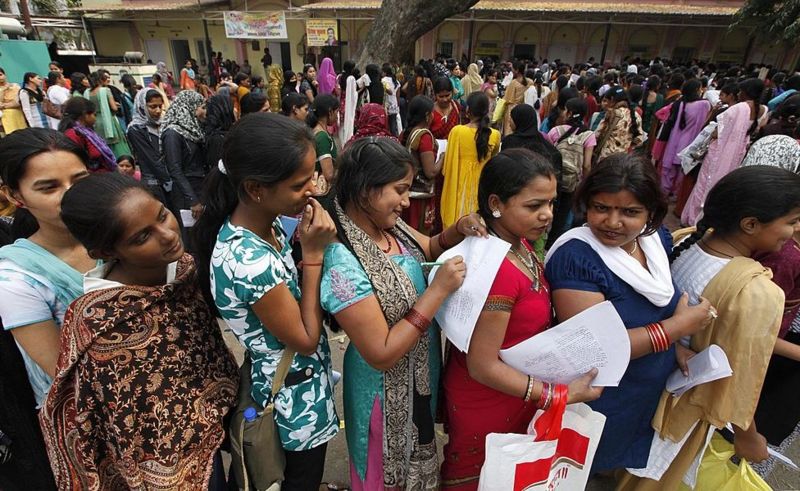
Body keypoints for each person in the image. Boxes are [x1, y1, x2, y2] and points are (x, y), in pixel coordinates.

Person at [40, 173, 238, 490]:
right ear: (105, 251)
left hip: (224, 413)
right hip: (167, 462)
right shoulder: (101, 321)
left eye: (162, 215)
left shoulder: (183, 268)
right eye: (141, 237)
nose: (168, 234)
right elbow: (124, 421)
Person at [618, 165, 800, 489]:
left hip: (645, 391)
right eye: (790, 221)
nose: (793, 231)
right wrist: (748, 435)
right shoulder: (756, 290)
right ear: (750, 224)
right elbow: (740, 375)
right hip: (682, 413)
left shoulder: (687, 240)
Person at [320, 137, 482, 489]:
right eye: (400, 190)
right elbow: (380, 352)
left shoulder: (389, 228)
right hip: (380, 389)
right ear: (365, 190)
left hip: (419, 377)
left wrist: (459, 228)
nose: (407, 201)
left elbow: (428, 247)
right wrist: (437, 291)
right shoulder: (341, 262)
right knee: (384, 474)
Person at [441, 149, 604, 490]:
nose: (547, 215)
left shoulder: (518, 245)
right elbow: (482, 366)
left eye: (551, 204)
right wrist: (554, 395)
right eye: (534, 206)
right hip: (487, 396)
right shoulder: (497, 267)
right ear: (496, 203)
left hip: (516, 388)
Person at [193, 113, 339, 490]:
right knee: (299, 480)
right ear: (256, 188)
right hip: (292, 399)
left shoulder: (263, 222)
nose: (312, 189)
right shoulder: (249, 262)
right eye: (299, 184)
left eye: (312, 176)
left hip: (294, 382)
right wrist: (313, 255)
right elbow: (305, 340)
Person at [545, 154, 713, 473]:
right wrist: (677, 329)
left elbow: (650, 309)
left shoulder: (654, 241)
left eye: (629, 212)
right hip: (600, 401)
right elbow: (597, 347)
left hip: (642, 394)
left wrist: (675, 346)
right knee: (579, 470)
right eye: (601, 208)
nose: (612, 222)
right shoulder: (577, 258)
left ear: (651, 213)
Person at [0, 128, 95, 409]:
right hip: (89, 416)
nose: (70, 195)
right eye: (49, 187)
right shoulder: (17, 278)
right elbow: (64, 373)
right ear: (14, 195)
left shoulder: (120, 235)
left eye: (79, 180)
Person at [682, 78, 767, 225]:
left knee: (705, 184)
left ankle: (694, 218)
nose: (738, 93)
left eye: (741, 91)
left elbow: (718, 132)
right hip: (737, 153)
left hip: (720, 152)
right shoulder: (762, 109)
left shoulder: (739, 108)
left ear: (746, 92)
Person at [440, 91, 501, 228]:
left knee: (458, 228)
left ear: (468, 110)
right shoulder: (495, 135)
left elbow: (447, 167)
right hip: (483, 189)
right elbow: (493, 160)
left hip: (460, 188)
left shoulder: (457, 131)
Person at [159, 90, 206, 225]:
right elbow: (175, 169)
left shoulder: (192, 130)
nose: (203, 111)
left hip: (198, 187)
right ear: (188, 107)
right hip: (187, 193)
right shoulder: (172, 133)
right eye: (201, 107)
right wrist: (192, 199)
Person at [660, 79, 711, 197]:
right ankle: (676, 195)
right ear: (697, 90)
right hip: (690, 142)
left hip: (674, 142)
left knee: (669, 171)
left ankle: (664, 192)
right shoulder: (703, 105)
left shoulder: (679, 103)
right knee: (683, 173)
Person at [400, 95, 440, 232]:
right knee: (420, 232)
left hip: (409, 192)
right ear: (428, 115)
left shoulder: (408, 132)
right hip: (421, 195)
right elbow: (431, 171)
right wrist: (443, 158)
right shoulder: (424, 136)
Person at [127, 88, 172, 207]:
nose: (158, 111)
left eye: (160, 106)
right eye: (152, 107)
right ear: (142, 106)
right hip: (153, 180)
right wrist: (168, 179)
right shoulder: (136, 129)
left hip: (170, 176)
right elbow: (151, 158)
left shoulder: (163, 123)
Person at [58, 97, 116, 173]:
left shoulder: (87, 132)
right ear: (85, 115)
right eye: (94, 114)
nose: (95, 118)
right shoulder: (73, 134)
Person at [85, 71, 131, 158]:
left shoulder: (87, 93)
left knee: (101, 144)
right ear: (101, 80)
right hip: (108, 120)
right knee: (117, 146)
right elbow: (114, 108)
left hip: (94, 122)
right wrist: (115, 105)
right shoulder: (105, 90)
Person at [594, 86, 644, 162]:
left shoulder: (612, 113)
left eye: (607, 100)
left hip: (605, 158)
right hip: (623, 159)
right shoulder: (636, 116)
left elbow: (597, 135)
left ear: (612, 99)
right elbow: (639, 140)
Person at [307, 94, 340, 196]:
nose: (337, 115)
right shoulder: (322, 137)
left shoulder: (315, 131)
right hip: (324, 194)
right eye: (337, 112)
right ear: (330, 112)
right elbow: (329, 174)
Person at [500, 62, 532, 136]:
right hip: (524, 108)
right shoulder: (530, 82)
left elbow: (507, 99)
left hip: (512, 109)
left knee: (509, 132)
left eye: (512, 69)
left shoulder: (513, 83)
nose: (512, 71)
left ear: (517, 70)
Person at [0, 67, 26, 134]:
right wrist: (4, 89)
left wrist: (4, 105)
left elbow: (19, 101)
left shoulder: (15, 85)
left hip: (19, 114)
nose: (0, 78)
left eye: (0, 75)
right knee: (12, 136)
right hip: (6, 117)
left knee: (24, 135)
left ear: (4, 75)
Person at [381, 64, 402, 136]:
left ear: (385, 72)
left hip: (387, 104)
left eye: (382, 72)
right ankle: (394, 139)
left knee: (386, 124)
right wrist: (397, 106)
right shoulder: (396, 81)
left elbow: (389, 91)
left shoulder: (384, 80)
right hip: (394, 104)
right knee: (393, 124)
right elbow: (398, 95)